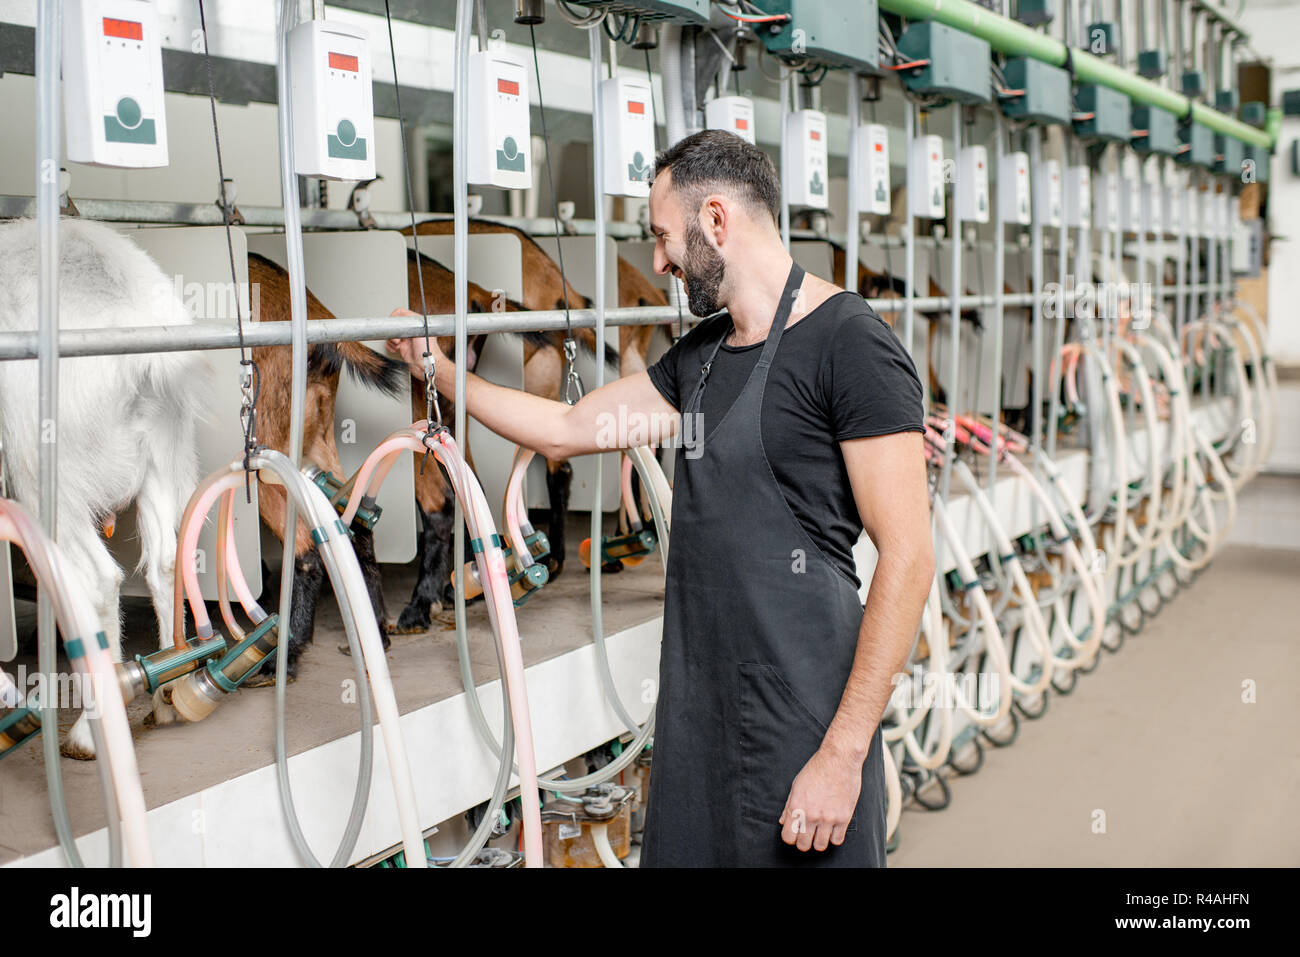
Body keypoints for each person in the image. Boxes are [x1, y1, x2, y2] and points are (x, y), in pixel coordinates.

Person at [388, 129, 934, 867]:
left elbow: (908, 559)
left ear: (716, 221)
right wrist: (442, 372)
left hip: (805, 719)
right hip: (698, 711)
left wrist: (842, 753)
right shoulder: (700, 358)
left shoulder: (850, 343)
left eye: (662, 236)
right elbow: (566, 427)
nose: (656, 262)